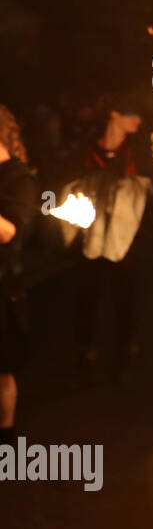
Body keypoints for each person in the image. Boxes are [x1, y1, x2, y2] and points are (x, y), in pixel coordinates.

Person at [73, 94, 148, 382]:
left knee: (124, 299)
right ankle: (83, 353)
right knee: (86, 296)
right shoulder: (89, 149)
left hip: (126, 240)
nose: (137, 121)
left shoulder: (137, 153)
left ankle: (122, 358)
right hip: (91, 236)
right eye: (132, 114)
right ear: (114, 115)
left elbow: (149, 190)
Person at [0, 107, 40, 450]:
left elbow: (8, 231)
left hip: (2, 287)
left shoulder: (18, 177)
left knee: (1, 371)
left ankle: (5, 439)